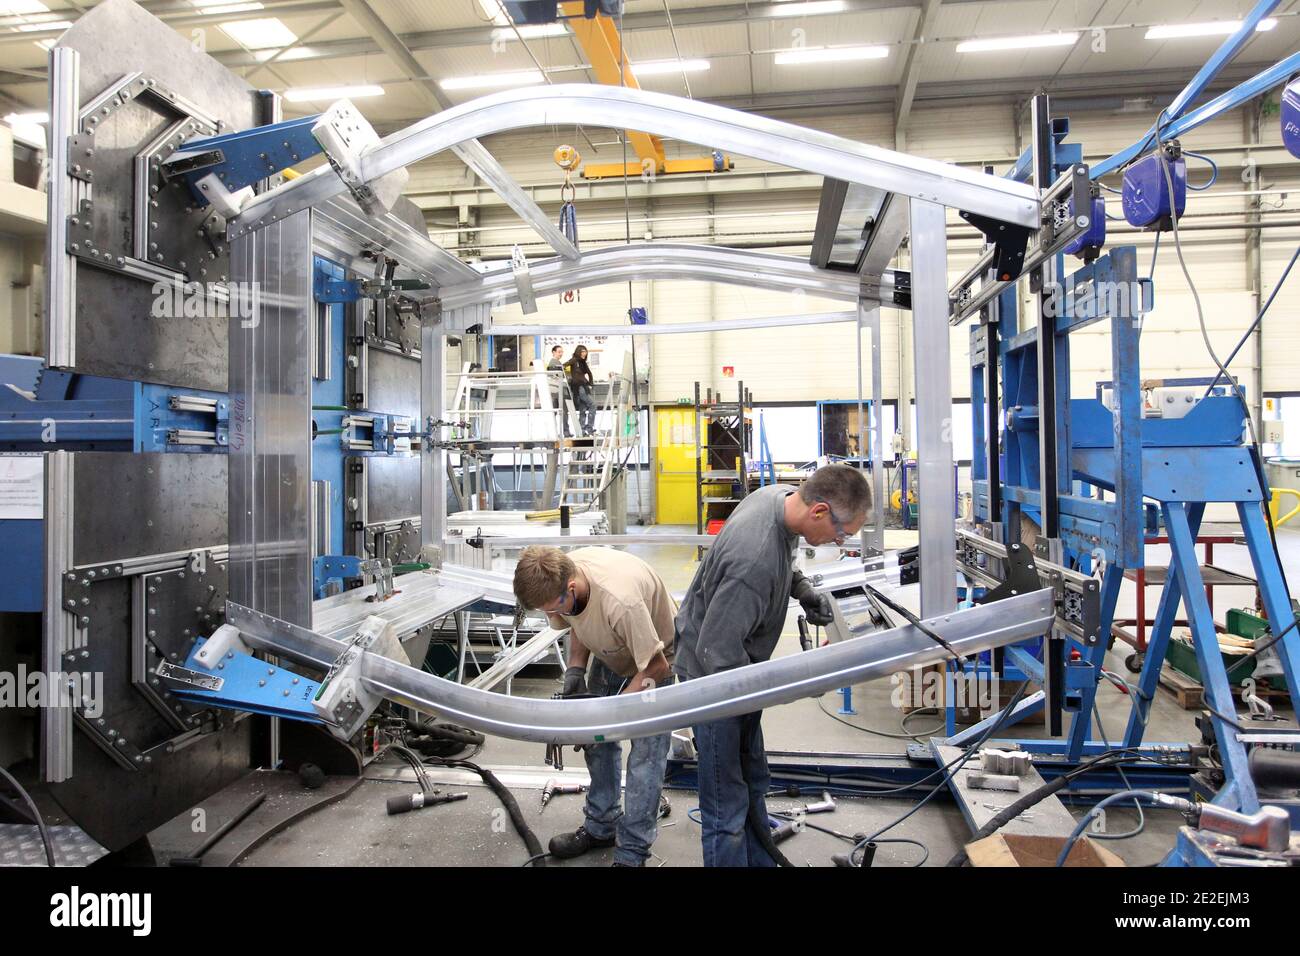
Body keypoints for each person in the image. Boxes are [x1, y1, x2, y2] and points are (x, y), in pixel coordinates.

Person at [672, 464, 871, 866]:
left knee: (753, 777)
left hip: (737, 668)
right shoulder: (753, 561)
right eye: (841, 533)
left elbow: (786, 561)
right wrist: (784, 684)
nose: (838, 540)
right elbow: (716, 653)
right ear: (819, 511)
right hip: (713, 683)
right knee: (726, 799)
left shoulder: (778, 499)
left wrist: (802, 589)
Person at [513, 545, 678, 867]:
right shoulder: (564, 579)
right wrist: (575, 671)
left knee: (645, 759)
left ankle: (632, 853)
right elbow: (580, 621)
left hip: (656, 658)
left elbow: (655, 666)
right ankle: (601, 825)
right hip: (612, 649)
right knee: (598, 746)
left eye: (551, 610)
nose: (551, 617)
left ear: (570, 588)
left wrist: (610, 715)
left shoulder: (621, 601)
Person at [567, 344, 596, 436]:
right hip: (579, 388)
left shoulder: (583, 362)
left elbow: (589, 373)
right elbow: (563, 365)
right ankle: (589, 428)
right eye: (583, 351)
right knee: (593, 404)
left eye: (585, 351)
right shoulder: (574, 360)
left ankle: (582, 430)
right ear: (578, 352)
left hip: (583, 387)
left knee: (582, 409)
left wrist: (590, 383)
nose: (584, 353)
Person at [546, 344, 571, 438]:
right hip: (558, 390)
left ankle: (554, 432)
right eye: (559, 352)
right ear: (554, 352)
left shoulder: (556, 363)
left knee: (556, 412)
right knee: (563, 411)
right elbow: (556, 377)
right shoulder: (554, 363)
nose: (561, 353)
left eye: (562, 352)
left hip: (554, 391)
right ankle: (566, 432)